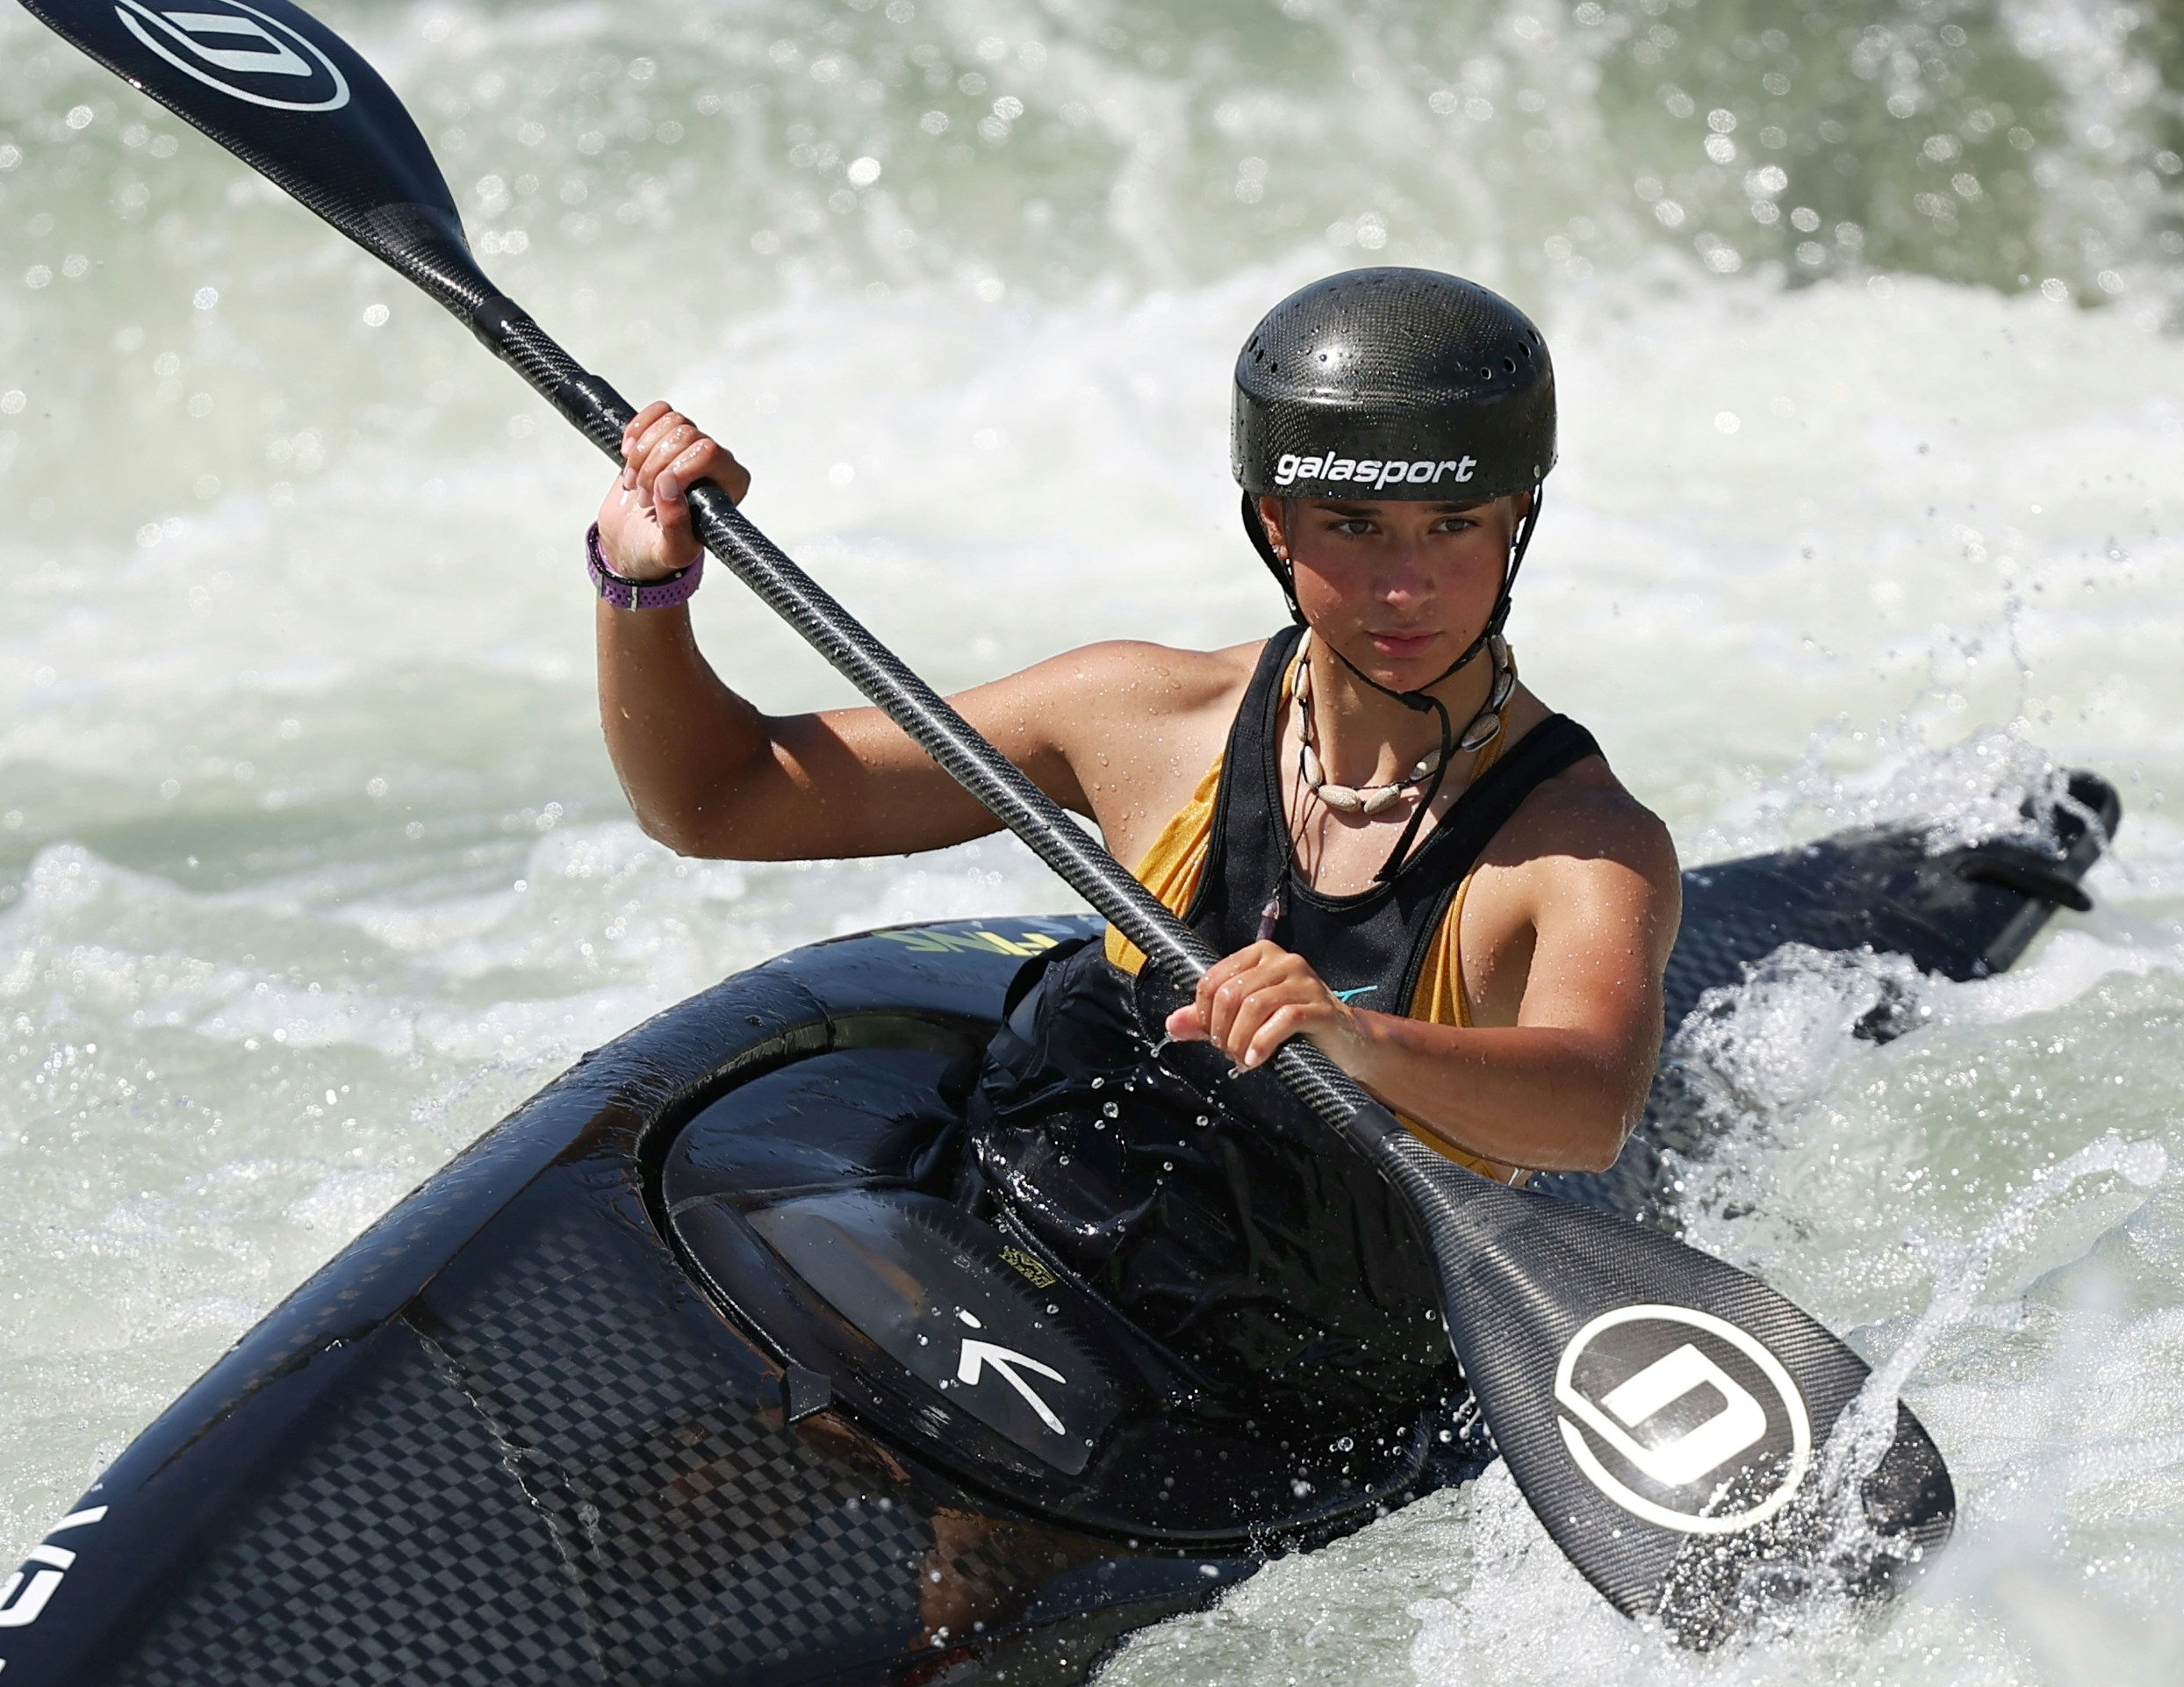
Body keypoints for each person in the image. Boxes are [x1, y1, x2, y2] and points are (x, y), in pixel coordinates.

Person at [587, 268, 1682, 1461]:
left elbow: (1591, 1107)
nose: (1405, 585)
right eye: (1354, 529)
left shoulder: (1580, 846)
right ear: (1276, 522)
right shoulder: (1140, 718)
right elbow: (718, 801)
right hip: (991, 1240)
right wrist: (643, 585)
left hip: (1257, 1406)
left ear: (1517, 516)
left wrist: (1356, 1040)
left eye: (1454, 527)